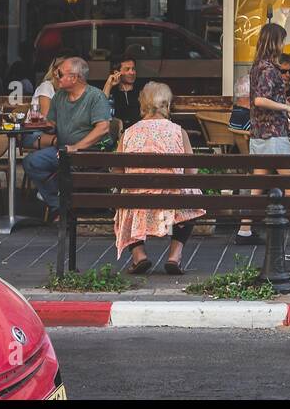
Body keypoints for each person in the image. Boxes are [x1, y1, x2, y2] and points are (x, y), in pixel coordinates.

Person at [234, 23, 290, 246]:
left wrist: (285, 116)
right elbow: (260, 100)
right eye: (282, 40)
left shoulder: (258, 66)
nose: (283, 44)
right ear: (275, 42)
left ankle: (245, 230)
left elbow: (259, 102)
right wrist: (288, 109)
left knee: (258, 185)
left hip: (261, 133)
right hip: (273, 136)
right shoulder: (269, 69)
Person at [114, 82, 205, 275]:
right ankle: (174, 256)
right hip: (173, 201)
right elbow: (192, 172)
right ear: (167, 105)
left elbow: (117, 171)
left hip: (136, 202)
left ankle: (139, 255)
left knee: (125, 195)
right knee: (190, 193)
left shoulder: (128, 133)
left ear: (142, 105)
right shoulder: (179, 132)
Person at [23, 57, 114, 219]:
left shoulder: (95, 96)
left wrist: (76, 147)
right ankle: (59, 206)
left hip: (91, 151)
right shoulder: (59, 97)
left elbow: (103, 128)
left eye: (59, 73)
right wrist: (40, 122)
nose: (55, 76)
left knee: (68, 166)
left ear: (74, 77)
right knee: (32, 162)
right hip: (64, 150)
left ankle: (75, 207)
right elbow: (52, 124)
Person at [102, 56, 144, 127]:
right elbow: (101, 110)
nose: (132, 72)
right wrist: (109, 85)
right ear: (116, 72)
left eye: (133, 69)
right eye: (127, 69)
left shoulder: (142, 91)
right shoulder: (111, 91)